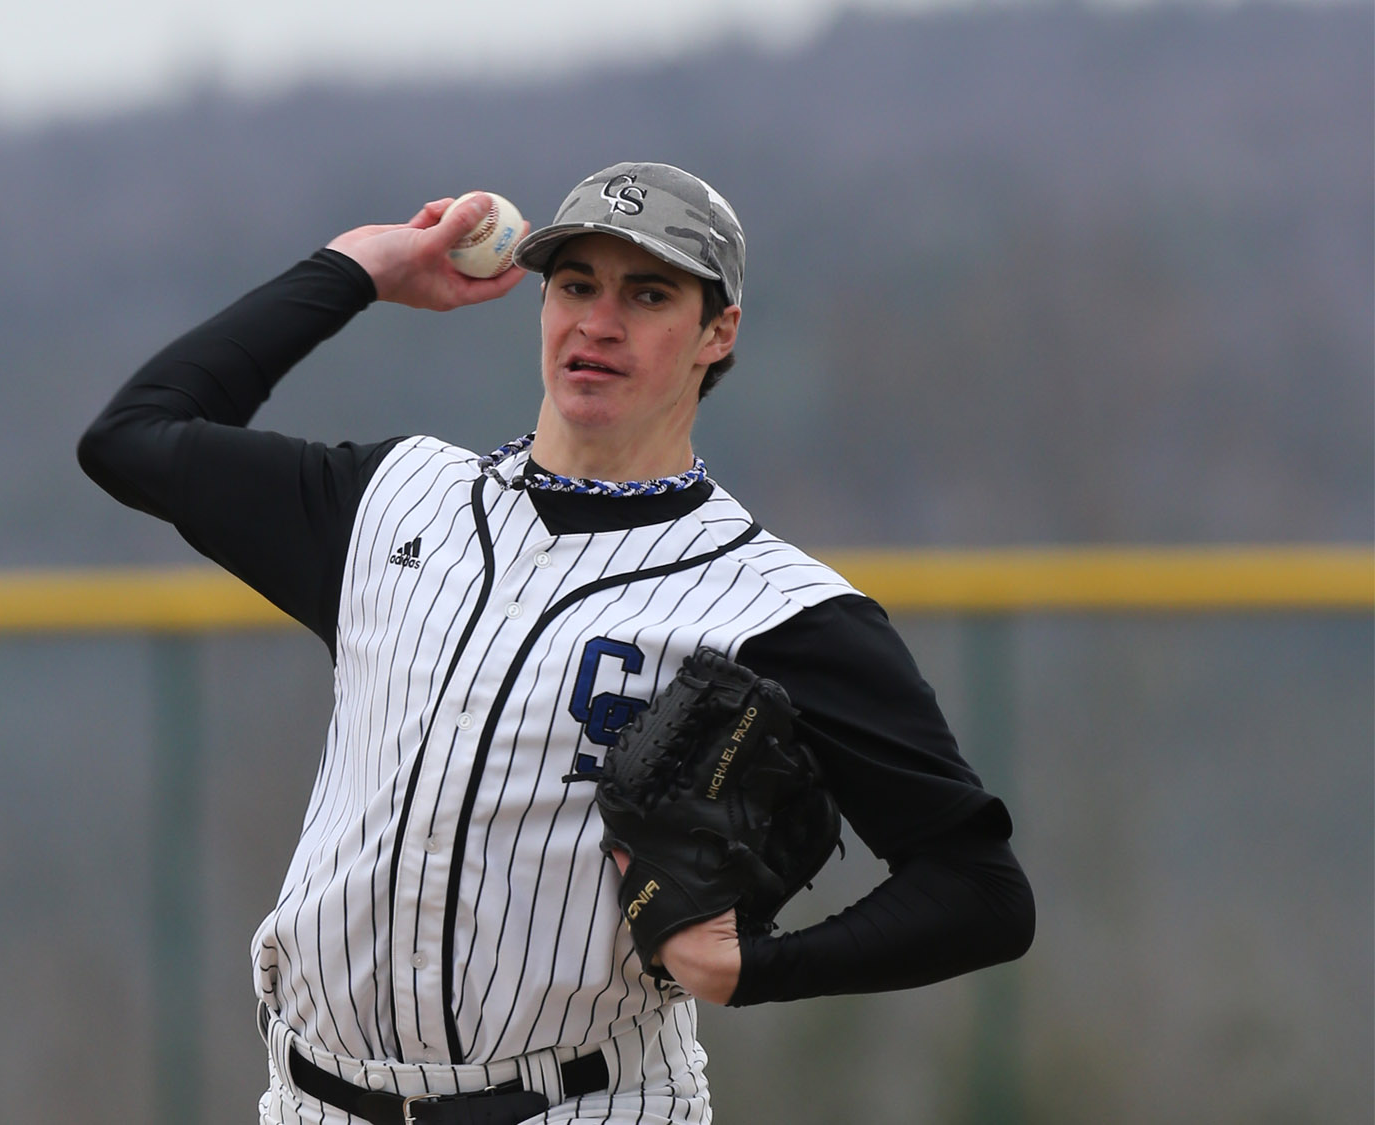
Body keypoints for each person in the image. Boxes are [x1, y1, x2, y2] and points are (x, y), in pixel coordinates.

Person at [79, 162, 1034, 1123]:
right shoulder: (389, 505)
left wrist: (758, 970)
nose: (598, 321)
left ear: (718, 332)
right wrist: (355, 270)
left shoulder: (778, 609)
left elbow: (979, 891)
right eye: (575, 283)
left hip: (581, 1104)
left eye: (648, 293)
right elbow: (132, 436)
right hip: (311, 1098)